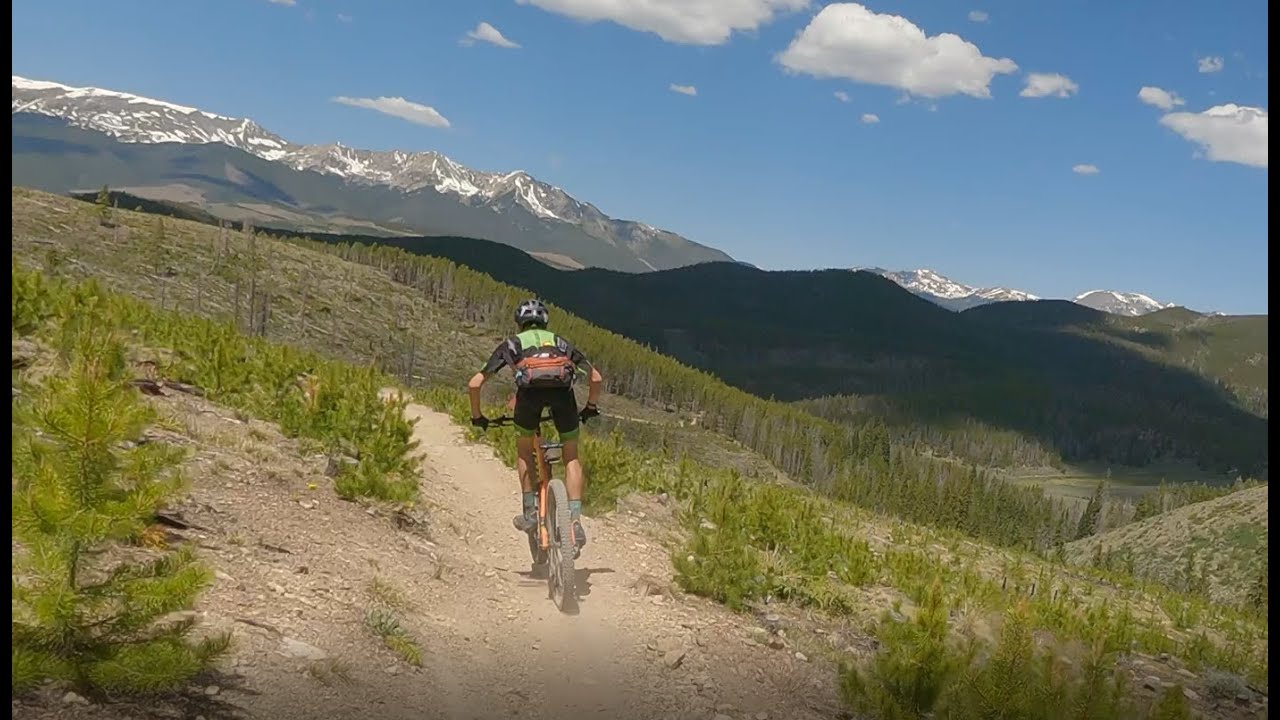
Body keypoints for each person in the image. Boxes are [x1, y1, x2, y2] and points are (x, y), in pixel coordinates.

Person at [467, 298, 602, 554]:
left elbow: (475, 384)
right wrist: (591, 407)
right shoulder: (561, 343)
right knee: (571, 456)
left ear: (520, 323)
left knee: (524, 451)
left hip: (528, 399)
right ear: (545, 322)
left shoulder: (512, 344)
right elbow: (596, 377)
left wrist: (478, 416)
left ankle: (530, 511)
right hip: (563, 398)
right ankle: (574, 521)